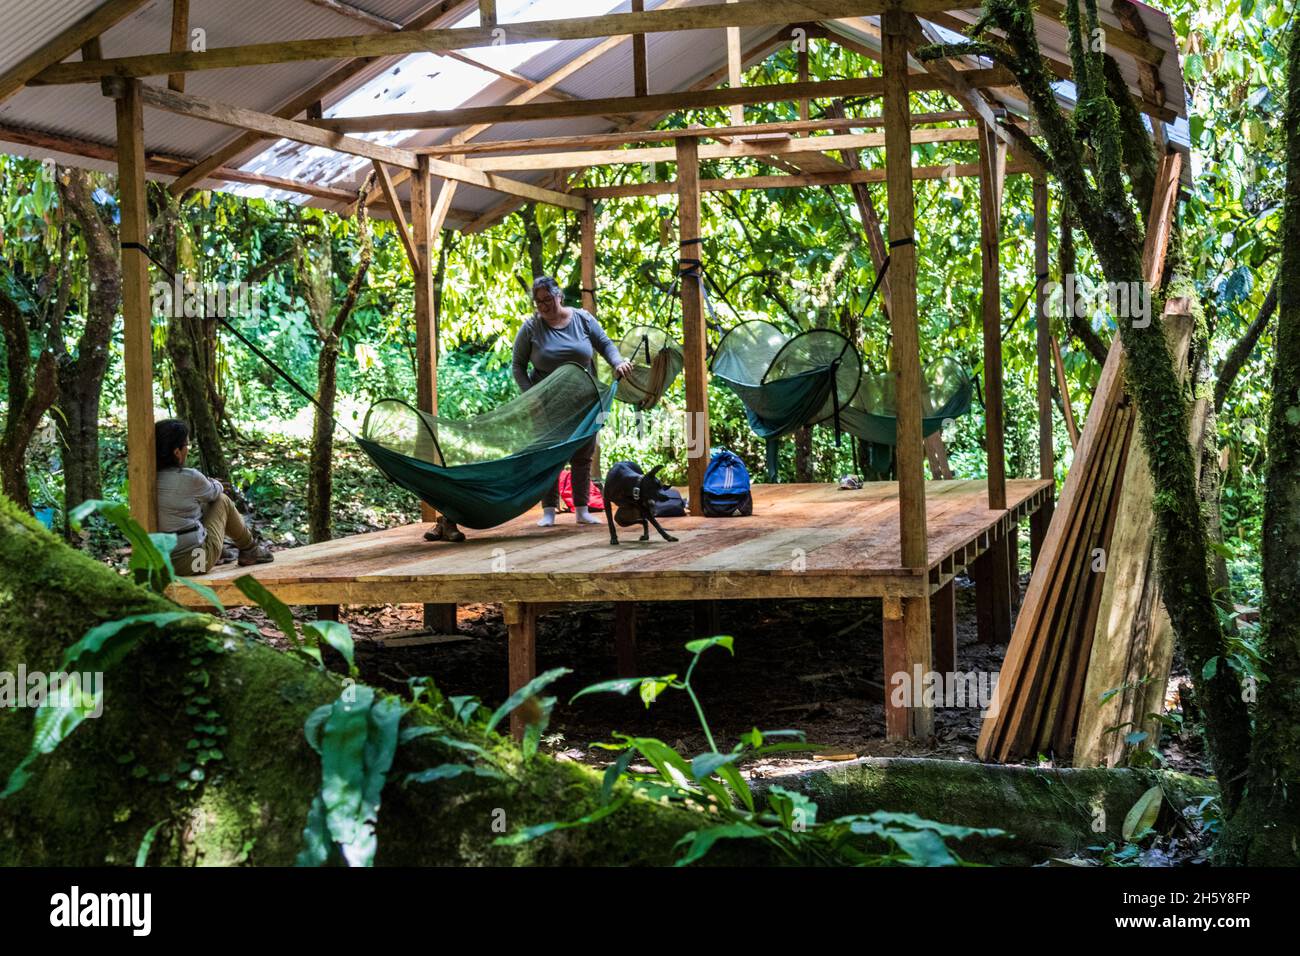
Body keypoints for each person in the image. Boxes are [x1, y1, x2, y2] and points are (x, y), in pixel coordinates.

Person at [512, 275, 632, 527]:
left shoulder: (582, 319)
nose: (543, 306)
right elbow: (518, 366)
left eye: (547, 299)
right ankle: (548, 511)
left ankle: (581, 509)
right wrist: (530, 394)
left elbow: (605, 344)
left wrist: (618, 362)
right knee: (549, 454)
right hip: (546, 403)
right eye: (538, 302)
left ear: (560, 295)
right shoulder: (531, 327)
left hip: (583, 400)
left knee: (583, 453)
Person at [154, 419, 273, 574]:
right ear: (176, 452)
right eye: (186, 445)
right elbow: (215, 492)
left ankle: (219, 549)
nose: (187, 450)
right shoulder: (190, 478)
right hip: (195, 564)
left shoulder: (146, 479)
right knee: (221, 501)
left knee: (194, 506)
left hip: (158, 566)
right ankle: (249, 549)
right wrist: (215, 482)